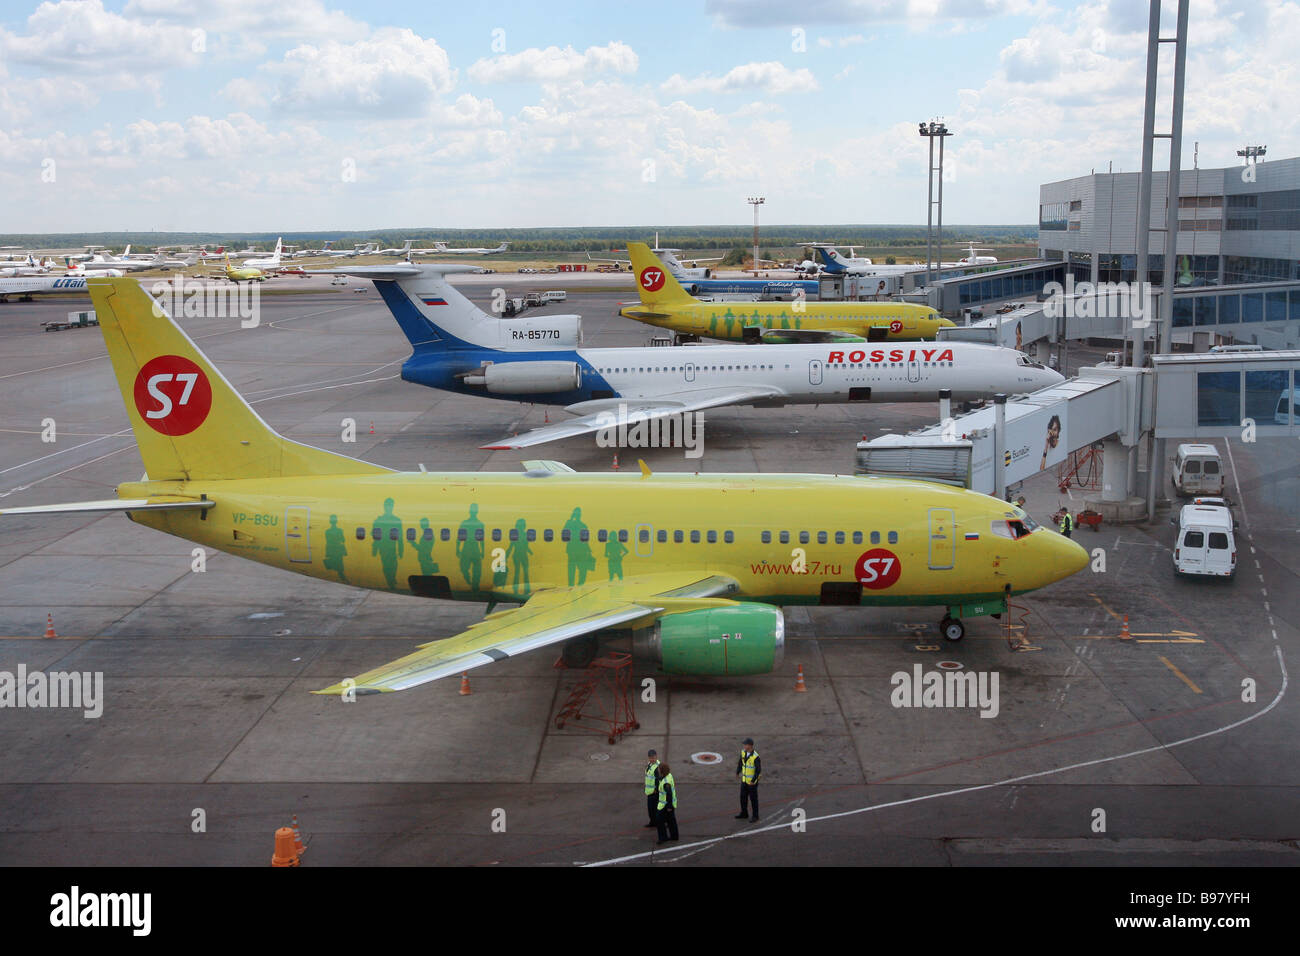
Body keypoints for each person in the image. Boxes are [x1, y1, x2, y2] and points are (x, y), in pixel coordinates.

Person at [735, 738, 761, 823]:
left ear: (750, 746)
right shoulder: (743, 752)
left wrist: (753, 781)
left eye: (745, 744)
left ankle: (755, 816)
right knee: (743, 798)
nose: (744, 746)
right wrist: (738, 771)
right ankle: (744, 813)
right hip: (744, 780)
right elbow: (740, 762)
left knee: (753, 799)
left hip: (752, 783)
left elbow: (758, 771)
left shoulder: (755, 757)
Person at [655, 762, 678, 844]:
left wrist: (668, 807)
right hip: (671, 804)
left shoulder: (666, 783)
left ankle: (663, 837)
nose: (658, 770)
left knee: (659, 821)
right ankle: (674, 836)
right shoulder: (669, 776)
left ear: (662, 771)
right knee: (671, 821)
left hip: (665, 805)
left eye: (659, 769)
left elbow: (669, 794)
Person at [643, 749, 661, 828]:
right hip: (649, 791)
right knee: (651, 809)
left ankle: (658, 822)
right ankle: (653, 822)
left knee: (655, 809)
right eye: (650, 758)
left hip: (654, 792)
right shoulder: (649, 764)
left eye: (653, 757)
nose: (652, 759)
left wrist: (655, 790)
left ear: (656, 757)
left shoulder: (657, 767)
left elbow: (658, 780)